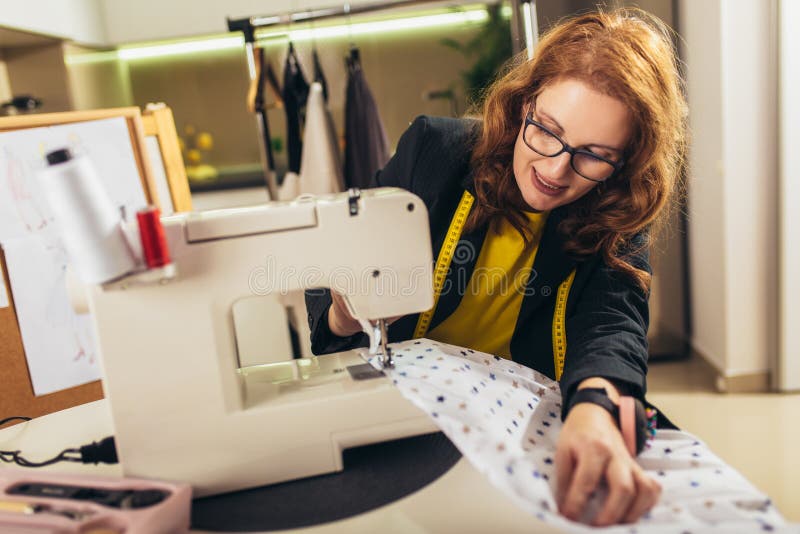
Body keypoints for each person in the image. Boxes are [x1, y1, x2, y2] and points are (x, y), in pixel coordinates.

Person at [305, 7, 687, 527]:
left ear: (626, 160)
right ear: (523, 103)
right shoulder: (434, 153)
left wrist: (596, 411)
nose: (555, 169)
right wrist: (342, 316)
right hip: (402, 417)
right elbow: (336, 273)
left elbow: (613, 325)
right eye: (546, 130)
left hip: (515, 418)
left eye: (594, 155)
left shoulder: (617, 208)